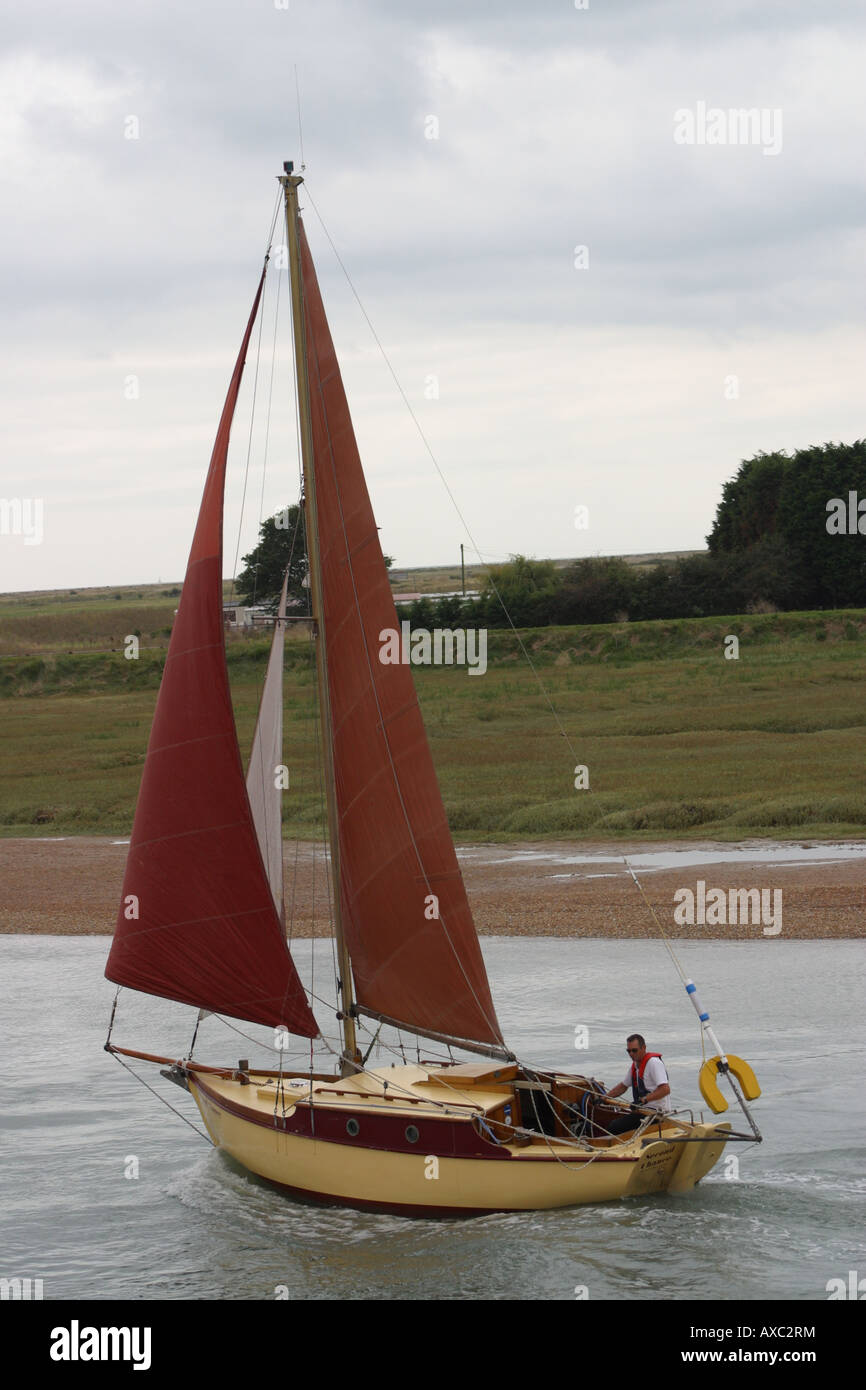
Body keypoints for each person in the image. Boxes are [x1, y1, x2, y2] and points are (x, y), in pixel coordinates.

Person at [600, 1034, 671, 1135]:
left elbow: (665, 1089)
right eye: (628, 1051)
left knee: (614, 1126)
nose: (631, 1054)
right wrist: (604, 1098)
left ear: (644, 1048)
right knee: (611, 1120)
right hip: (642, 1111)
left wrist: (644, 1100)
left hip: (654, 1114)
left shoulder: (654, 1063)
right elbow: (623, 1086)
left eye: (634, 1050)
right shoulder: (636, 1065)